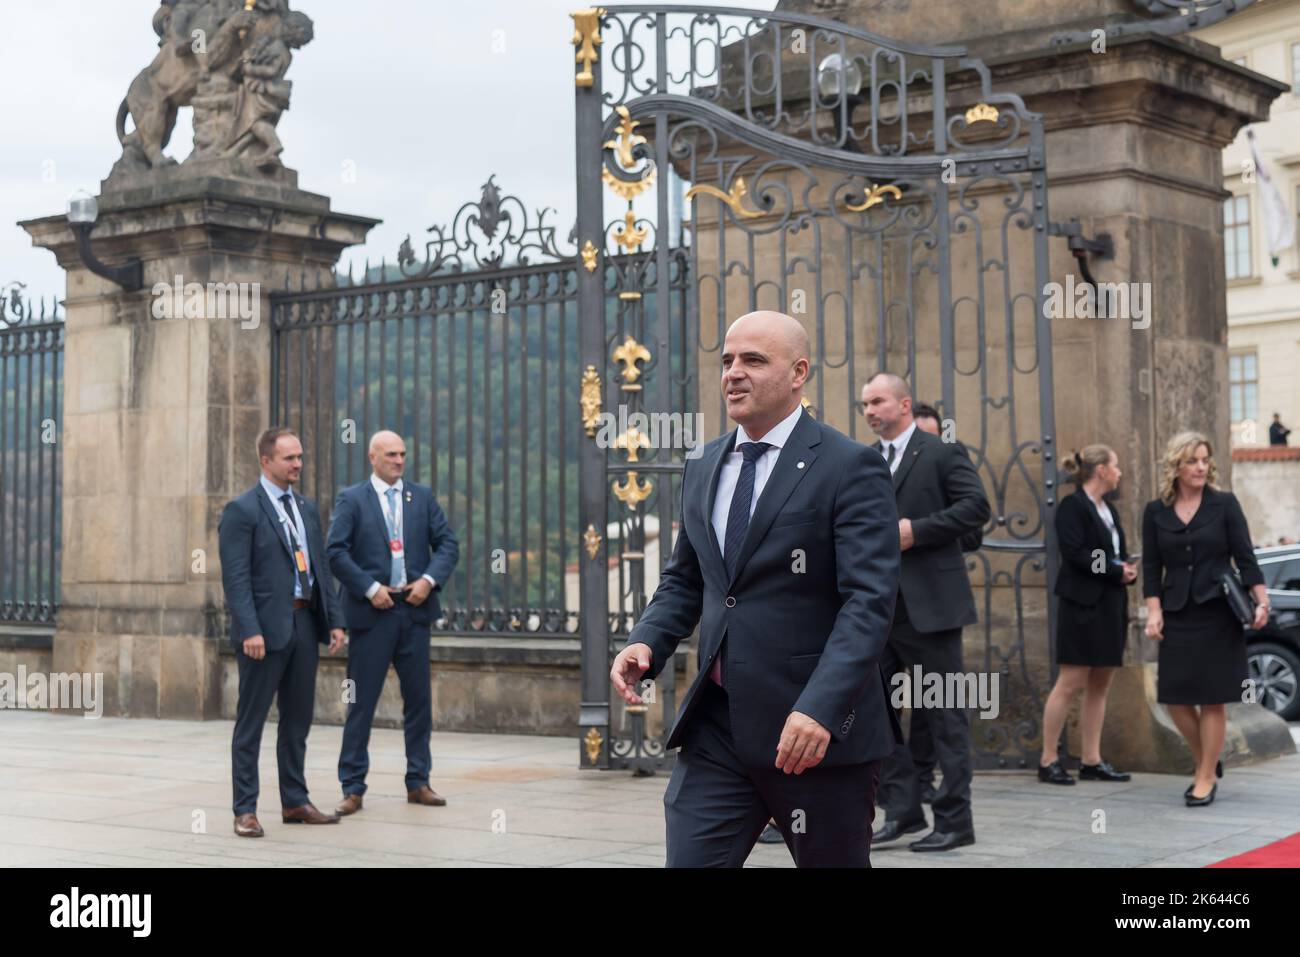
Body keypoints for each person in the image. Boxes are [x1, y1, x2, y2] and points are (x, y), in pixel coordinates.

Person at [610, 311, 901, 868]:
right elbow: (686, 579)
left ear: (798, 373)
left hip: (813, 734)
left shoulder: (849, 466)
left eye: (752, 360)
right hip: (718, 727)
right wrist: (646, 641)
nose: (733, 373)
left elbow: (868, 602)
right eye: (726, 361)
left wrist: (819, 708)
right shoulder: (703, 463)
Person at [862, 374, 990, 852]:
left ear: (904, 403)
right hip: (879, 611)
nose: (871, 411)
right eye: (865, 404)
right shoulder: (865, 460)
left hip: (932, 611)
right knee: (877, 714)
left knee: (944, 717)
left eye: (878, 401)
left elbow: (976, 508)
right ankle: (903, 812)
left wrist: (917, 530)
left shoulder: (940, 452)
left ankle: (956, 820)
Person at [219, 427, 346, 837]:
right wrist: (248, 630)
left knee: (297, 721)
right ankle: (245, 810)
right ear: (266, 461)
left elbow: (321, 567)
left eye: (300, 457)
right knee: (251, 722)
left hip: (304, 624)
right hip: (263, 634)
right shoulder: (243, 510)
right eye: (289, 458)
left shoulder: (306, 508)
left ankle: (294, 801)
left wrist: (335, 619)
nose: (298, 464)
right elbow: (236, 580)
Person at [327, 430, 460, 814]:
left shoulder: (421, 496)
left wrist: (428, 581)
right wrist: (369, 588)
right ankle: (352, 787)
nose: (399, 461)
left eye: (402, 454)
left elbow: (448, 544)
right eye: (390, 454)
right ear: (372, 457)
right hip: (372, 614)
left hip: (414, 610)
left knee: (418, 701)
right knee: (361, 703)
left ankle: (418, 781)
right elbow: (335, 552)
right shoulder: (352, 499)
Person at [1142, 431, 1269, 806]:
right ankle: (1208, 761)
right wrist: (1154, 610)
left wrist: (1261, 602)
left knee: (1213, 699)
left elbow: (1246, 558)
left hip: (1218, 611)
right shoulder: (1155, 511)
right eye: (1192, 461)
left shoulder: (1225, 505)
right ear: (1176, 466)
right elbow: (1151, 566)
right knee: (1176, 698)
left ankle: (1204, 777)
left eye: (1204, 460)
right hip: (1177, 610)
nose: (1200, 467)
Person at [1037, 444, 1134, 786]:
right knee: (1071, 681)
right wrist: (1114, 570)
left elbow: (1112, 551)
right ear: (1102, 470)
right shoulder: (1072, 506)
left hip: (1111, 604)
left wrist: (1123, 569)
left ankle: (1091, 760)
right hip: (1082, 604)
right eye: (1116, 466)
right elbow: (1075, 553)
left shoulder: (1107, 508)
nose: (1120, 473)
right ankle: (1048, 758)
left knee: (1101, 682)